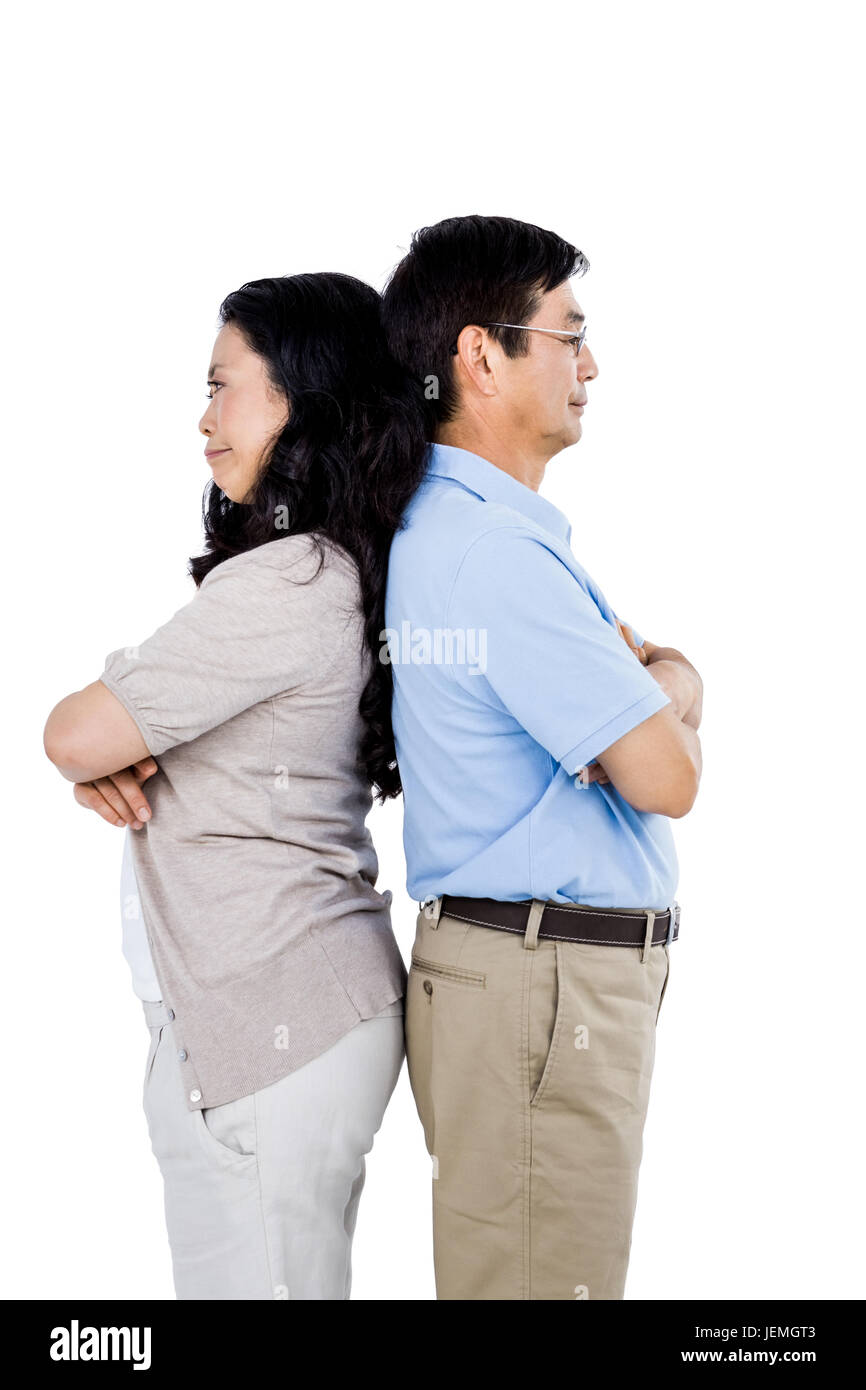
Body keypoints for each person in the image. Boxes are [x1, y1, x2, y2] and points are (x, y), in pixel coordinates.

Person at [43, 271, 429, 1300]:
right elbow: (105, 741)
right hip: (294, 1016)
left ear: (300, 399)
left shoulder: (286, 579)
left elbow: (73, 728)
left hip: (271, 1028)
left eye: (224, 386)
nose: (204, 420)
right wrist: (119, 752)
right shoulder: (337, 565)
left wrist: (110, 745)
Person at [381, 214, 703, 1300]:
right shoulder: (494, 554)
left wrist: (651, 702)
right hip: (542, 988)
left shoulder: (459, 530)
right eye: (569, 333)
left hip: (526, 983)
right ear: (481, 354)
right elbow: (668, 776)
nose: (590, 363)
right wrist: (666, 687)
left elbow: (648, 740)